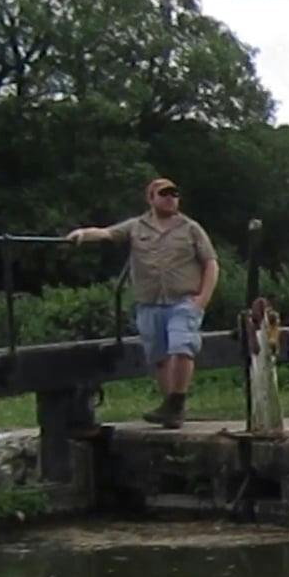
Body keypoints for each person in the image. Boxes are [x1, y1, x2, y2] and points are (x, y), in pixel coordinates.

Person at [67, 177, 219, 428]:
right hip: (149, 302)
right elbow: (107, 233)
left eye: (174, 194)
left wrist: (202, 299)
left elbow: (211, 263)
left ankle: (177, 401)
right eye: (164, 193)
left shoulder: (191, 228)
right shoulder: (136, 227)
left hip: (183, 300)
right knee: (159, 356)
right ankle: (171, 408)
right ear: (151, 198)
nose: (170, 198)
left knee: (182, 346)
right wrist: (83, 234)